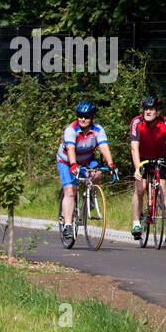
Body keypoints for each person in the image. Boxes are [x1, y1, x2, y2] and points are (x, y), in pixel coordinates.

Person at [56, 100, 117, 245]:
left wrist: (111, 165)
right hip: (67, 161)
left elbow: (103, 147)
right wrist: (72, 165)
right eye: (80, 115)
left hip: (87, 159)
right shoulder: (71, 130)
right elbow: (70, 149)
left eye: (87, 116)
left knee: (97, 174)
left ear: (92, 117)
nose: (83, 119)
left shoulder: (98, 130)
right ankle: (68, 226)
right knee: (70, 190)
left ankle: (91, 194)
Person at [129, 95, 166, 243]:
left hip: (159, 158)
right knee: (140, 189)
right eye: (145, 109)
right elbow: (134, 148)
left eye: (151, 109)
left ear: (158, 112)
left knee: (163, 191)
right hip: (141, 158)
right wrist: (137, 168)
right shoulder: (136, 122)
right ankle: (136, 224)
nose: (147, 112)